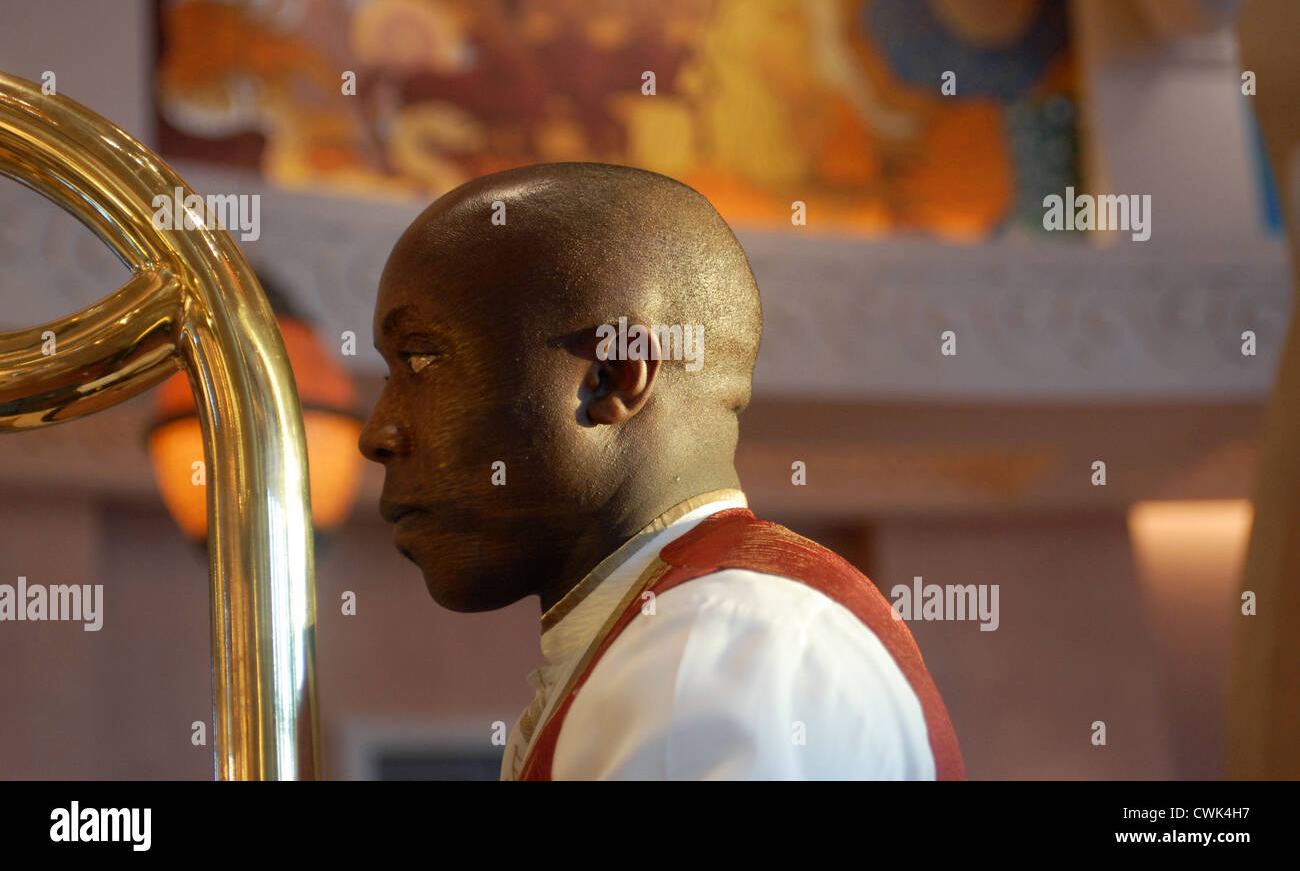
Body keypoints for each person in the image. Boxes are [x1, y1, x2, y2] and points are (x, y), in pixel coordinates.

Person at [359, 162, 964, 779]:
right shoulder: (684, 634)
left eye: (421, 359)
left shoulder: (711, 645)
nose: (376, 435)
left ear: (611, 377)